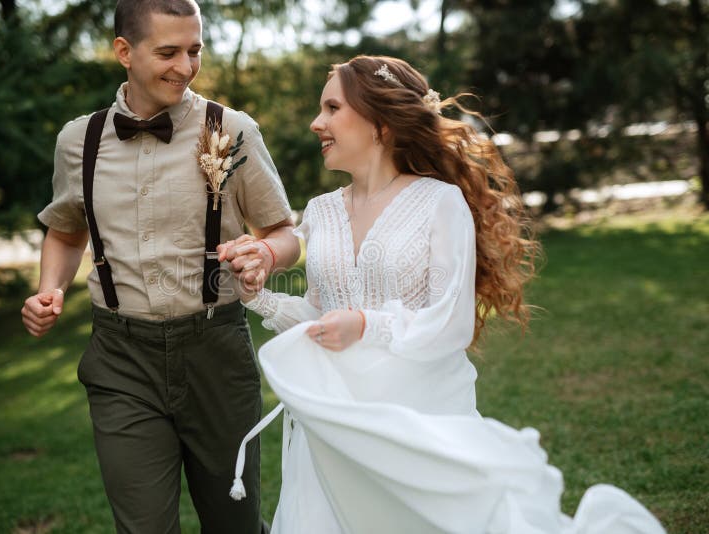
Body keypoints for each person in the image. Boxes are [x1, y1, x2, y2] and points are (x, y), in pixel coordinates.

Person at [224, 56, 666, 533]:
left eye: (332, 108)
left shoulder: (440, 203)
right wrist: (259, 297)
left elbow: (451, 321)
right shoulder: (321, 211)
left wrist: (369, 326)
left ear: (381, 122)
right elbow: (321, 314)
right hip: (336, 421)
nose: (317, 123)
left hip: (417, 415)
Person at [20, 1, 299, 532]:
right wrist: (48, 289)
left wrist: (264, 253)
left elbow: (283, 231)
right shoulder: (79, 140)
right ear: (124, 52)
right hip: (121, 359)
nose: (185, 65)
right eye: (167, 52)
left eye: (194, 50)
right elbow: (65, 228)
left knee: (233, 525)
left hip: (216, 353)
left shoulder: (231, 130)